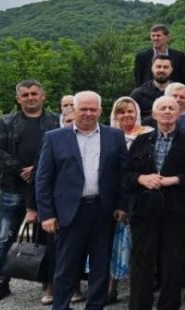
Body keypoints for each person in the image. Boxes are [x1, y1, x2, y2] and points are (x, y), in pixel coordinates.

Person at [36, 91, 128, 310]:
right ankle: (61, 306)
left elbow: (124, 174)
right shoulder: (54, 137)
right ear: (72, 110)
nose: (88, 113)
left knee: (100, 265)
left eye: (92, 109)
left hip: (103, 211)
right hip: (69, 212)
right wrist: (47, 214)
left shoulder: (114, 136)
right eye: (83, 109)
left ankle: (95, 306)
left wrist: (122, 205)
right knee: (67, 266)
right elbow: (43, 179)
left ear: (101, 111)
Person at [0, 80, 61, 303]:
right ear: (18, 98)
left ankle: (47, 282)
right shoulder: (5, 122)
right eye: (25, 95)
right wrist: (21, 169)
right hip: (13, 189)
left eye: (34, 94)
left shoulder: (56, 121)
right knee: (5, 238)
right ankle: (0, 281)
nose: (30, 98)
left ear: (43, 95)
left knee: (49, 239)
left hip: (47, 191)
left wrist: (38, 170)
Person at [122, 97, 185, 310]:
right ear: (153, 115)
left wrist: (175, 180)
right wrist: (141, 178)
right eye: (162, 108)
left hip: (176, 211)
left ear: (179, 113)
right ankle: (138, 306)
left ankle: (170, 306)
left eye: (171, 108)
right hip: (144, 211)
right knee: (141, 262)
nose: (166, 112)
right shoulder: (140, 141)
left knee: (173, 263)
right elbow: (125, 174)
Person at [107, 97, 151, 302]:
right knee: (109, 245)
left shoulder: (148, 134)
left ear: (137, 113)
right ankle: (110, 288)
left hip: (138, 197)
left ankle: (138, 291)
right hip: (110, 196)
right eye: (121, 112)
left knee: (135, 246)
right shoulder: (107, 136)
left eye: (130, 111)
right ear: (115, 115)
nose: (126, 115)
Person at [130, 55, 175, 120]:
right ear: (152, 68)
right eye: (158, 67)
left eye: (166, 67)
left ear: (171, 70)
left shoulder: (179, 93)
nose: (161, 70)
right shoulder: (138, 93)